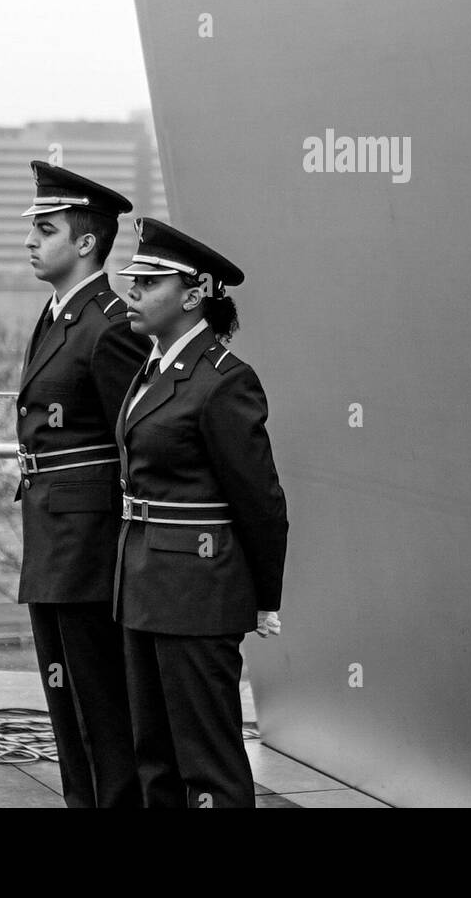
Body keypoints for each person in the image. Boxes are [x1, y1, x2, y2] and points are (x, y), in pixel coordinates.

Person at [115, 217, 288, 808]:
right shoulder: (154, 368)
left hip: (197, 593)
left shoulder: (223, 382)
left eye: (150, 280)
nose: (131, 290)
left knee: (207, 763)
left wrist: (263, 597)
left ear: (194, 295)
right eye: (133, 277)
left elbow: (260, 500)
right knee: (155, 759)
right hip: (144, 583)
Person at [16, 160, 149, 808]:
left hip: (90, 547)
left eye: (46, 229)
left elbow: (141, 442)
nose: (31, 241)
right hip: (54, 537)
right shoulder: (61, 314)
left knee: (102, 719)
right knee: (69, 716)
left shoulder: (109, 323)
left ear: (87, 241)